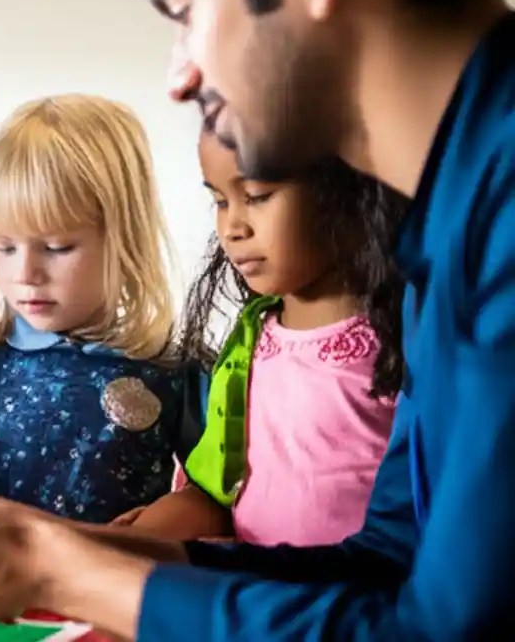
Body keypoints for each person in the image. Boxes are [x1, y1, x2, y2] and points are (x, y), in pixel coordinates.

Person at [0, 0, 515, 639]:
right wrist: (35, 541)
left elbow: (444, 631)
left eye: (183, 13)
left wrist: (50, 569)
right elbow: (386, 564)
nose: (181, 78)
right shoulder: (447, 232)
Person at [113, 132, 407, 545]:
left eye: (256, 195)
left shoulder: (405, 343)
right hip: (262, 599)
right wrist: (151, 533)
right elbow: (219, 492)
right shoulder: (247, 344)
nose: (232, 227)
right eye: (219, 201)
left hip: (359, 601)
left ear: (352, 192)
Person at [0, 94, 200, 524]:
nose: (26, 272)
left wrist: (167, 520)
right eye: (5, 247)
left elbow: (218, 501)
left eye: (57, 247)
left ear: (123, 239)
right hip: (1, 589)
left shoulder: (172, 366)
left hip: (122, 586)